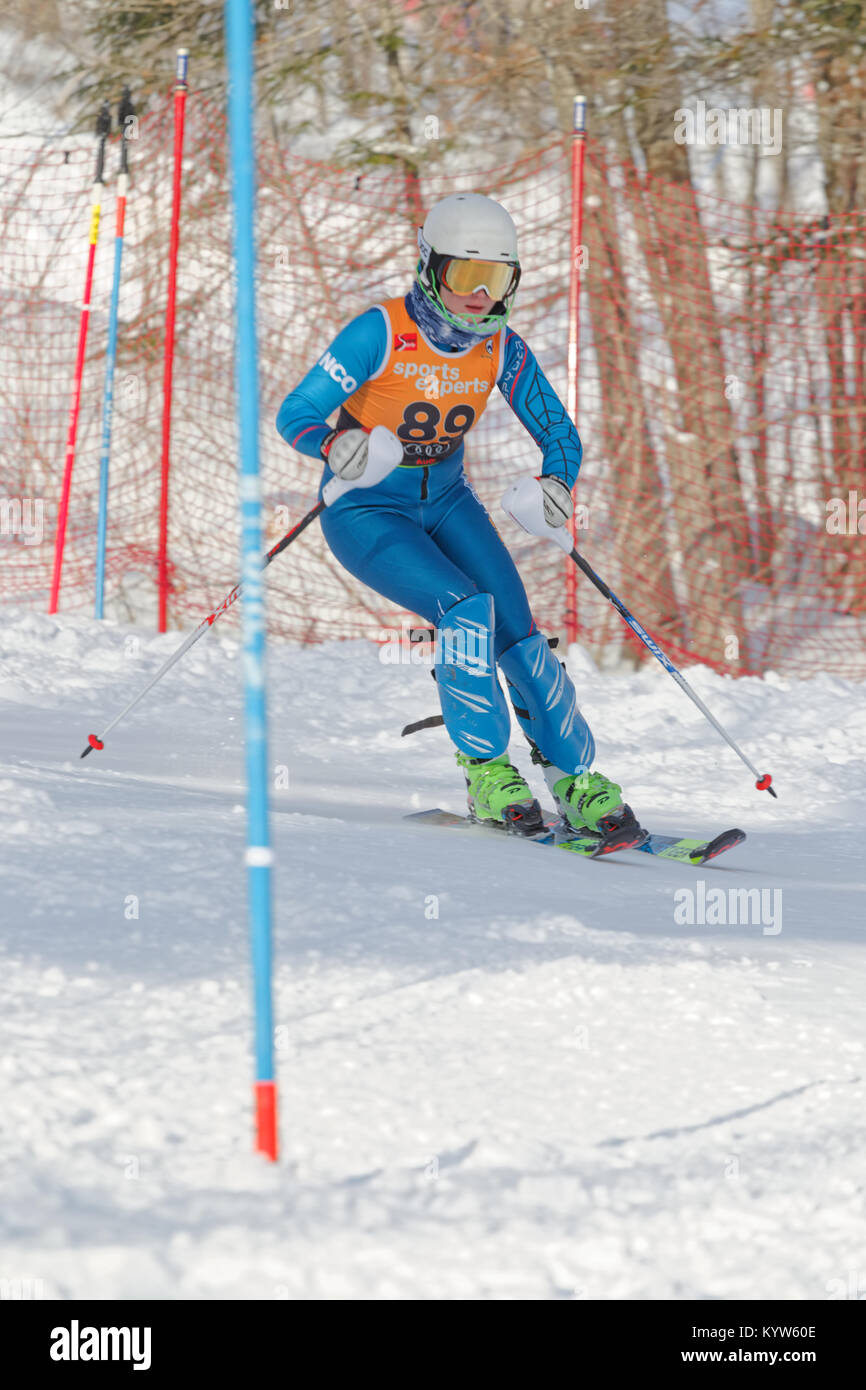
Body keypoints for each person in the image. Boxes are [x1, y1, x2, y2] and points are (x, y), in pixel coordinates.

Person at [276, 192, 640, 842]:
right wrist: (335, 445)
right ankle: (487, 775)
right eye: (463, 277)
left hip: (447, 502)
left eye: (494, 279)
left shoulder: (502, 347)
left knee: (520, 631)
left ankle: (576, 781)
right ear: (428, 267)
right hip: (365, 509)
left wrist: (557, 482)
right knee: (464, 611)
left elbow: (559, 432)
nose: (478, 296)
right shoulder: (380, 331)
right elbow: (295, 413)